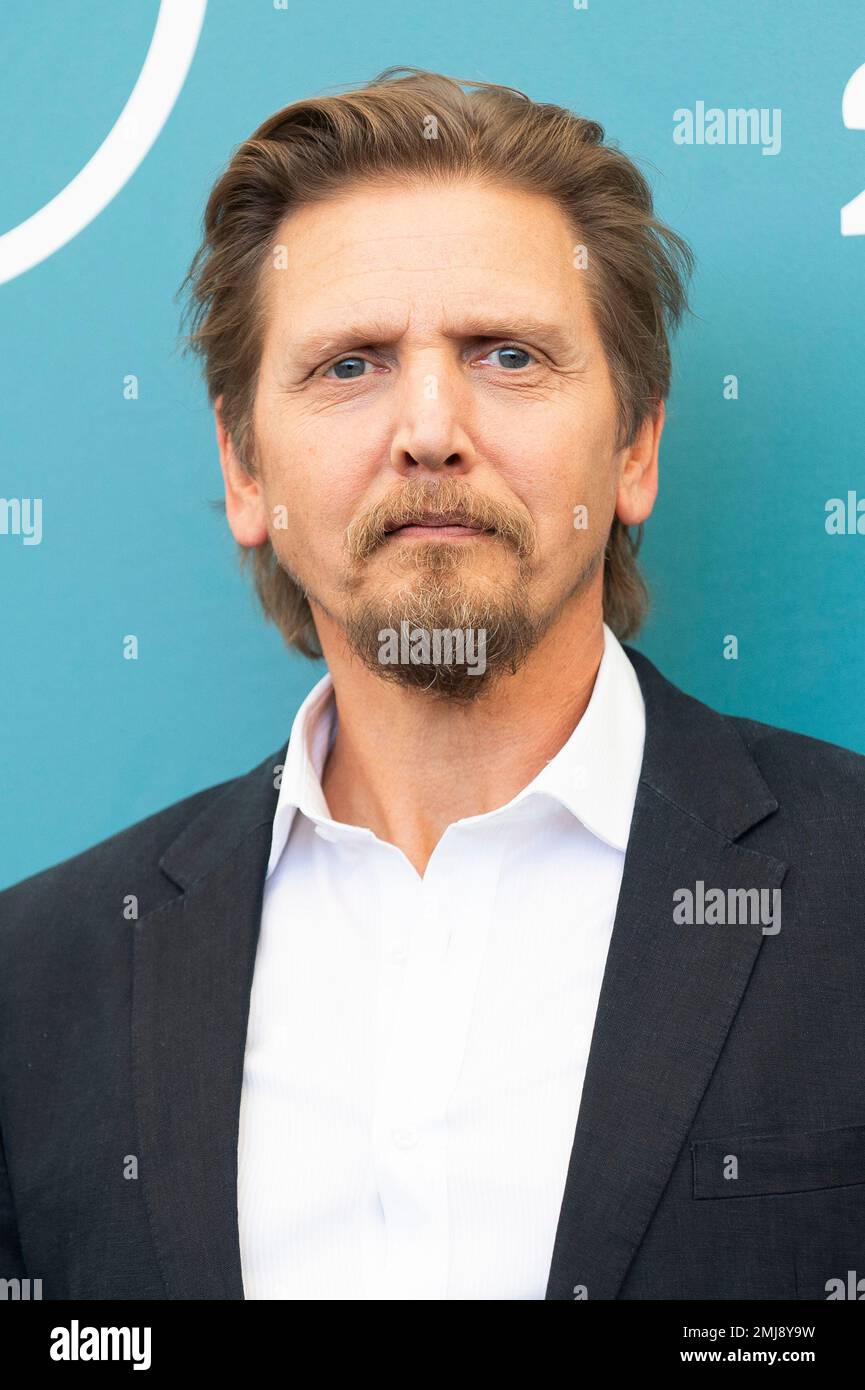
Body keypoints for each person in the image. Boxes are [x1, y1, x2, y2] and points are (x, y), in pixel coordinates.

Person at [1, 68, 863, 1302]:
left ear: (635, 449)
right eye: (349, 365)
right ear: (245, 469)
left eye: (506, 354)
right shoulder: (35, 985)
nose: (428, 427)